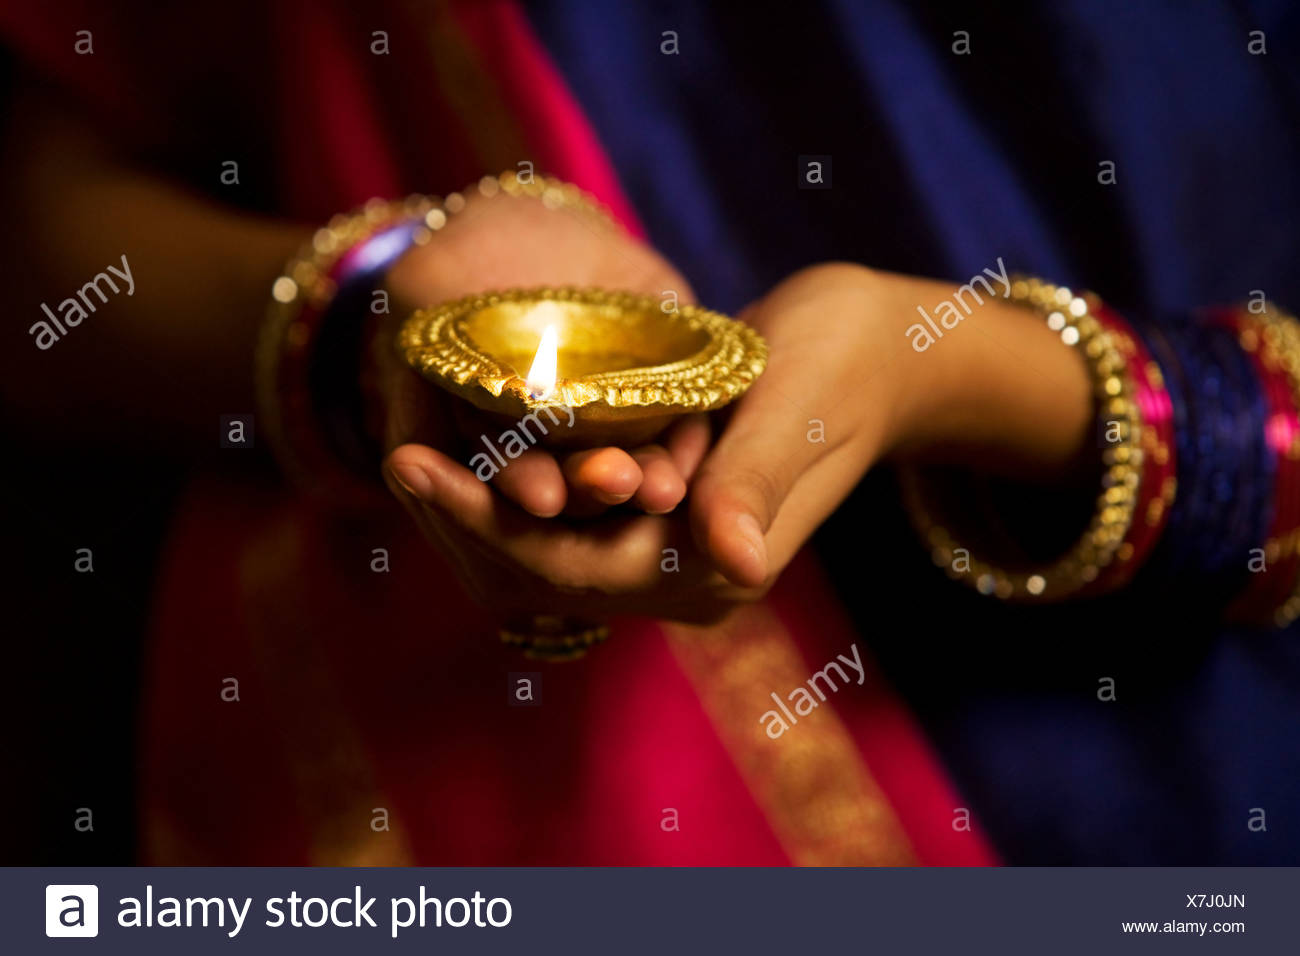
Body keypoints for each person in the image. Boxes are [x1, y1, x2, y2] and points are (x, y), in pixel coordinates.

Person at [4, 1, 1297, 865]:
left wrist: (967, 378)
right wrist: (370, 319)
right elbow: (50, 276)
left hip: (1133, 805)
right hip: (409, 793)